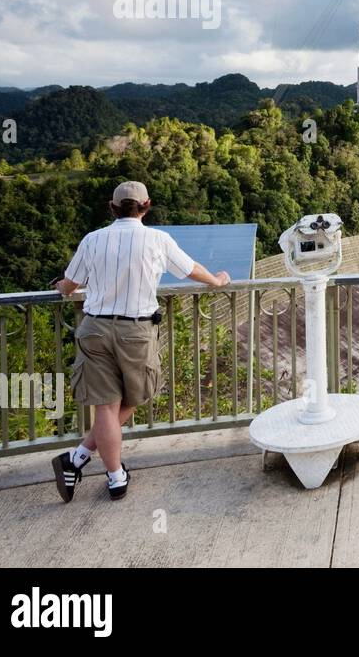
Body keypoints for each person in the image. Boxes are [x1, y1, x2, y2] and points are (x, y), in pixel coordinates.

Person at [52, 181, 230, 502]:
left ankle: (88, 464)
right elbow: (190, 270)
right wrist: (217, 280)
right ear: (146, 206)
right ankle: (107, 471)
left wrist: (61, 286)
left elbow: (68, 285)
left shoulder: (93, 240)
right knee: (135, 396)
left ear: (112, 207)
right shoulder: (157, 239)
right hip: (136, 331)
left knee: (106, 405)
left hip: (95, 328)